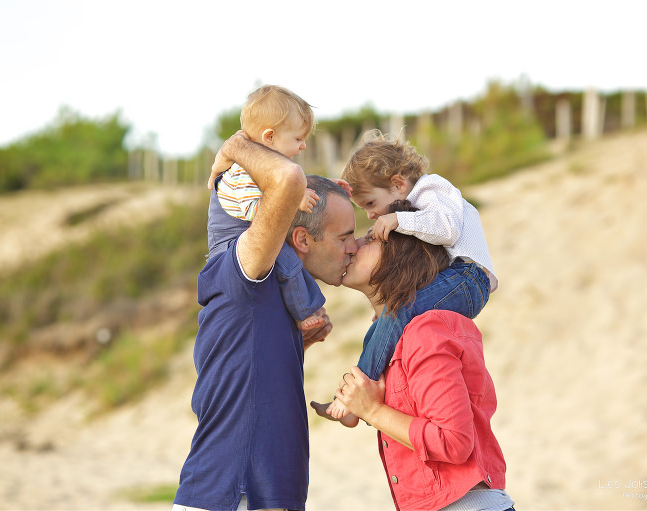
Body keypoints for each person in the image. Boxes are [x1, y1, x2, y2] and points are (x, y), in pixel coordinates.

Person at [173, 131, 357, 511]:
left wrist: (294, 346)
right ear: (302, 239)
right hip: (231, 493)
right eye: (346, 237)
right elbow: (287, 181)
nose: (355, 246)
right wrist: (237, 146)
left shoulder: (279, 295)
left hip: (269, 493)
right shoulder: (245, 273)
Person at [314, 200, 514, 511]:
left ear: (400, 256)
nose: (354, 246)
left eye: (369, 239)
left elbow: (453, 442)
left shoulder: (426, 332)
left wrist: (373, 411)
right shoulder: (388, 341)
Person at [326, 132, 497, 420]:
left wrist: (397, 219)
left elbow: (447, 229)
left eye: (370, 203)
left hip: (469, 278)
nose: (370, 215)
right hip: (458, 277)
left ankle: (359, 395)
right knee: (382, 323)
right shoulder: (417, 204)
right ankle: (354, 391)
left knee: (398, 311)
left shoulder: (432, 188)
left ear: (398, 183)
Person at [208, 84, 351, 332]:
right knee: (287, 261)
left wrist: (325, 185)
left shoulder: (258, 166)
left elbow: (286, 181)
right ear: (270, 138)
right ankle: (303, 311)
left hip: (248, 235)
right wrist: (293, 201)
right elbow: (257, 210)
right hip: (232, 246)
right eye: (298, 139)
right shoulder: (242, 173)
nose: (303, 146)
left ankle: (304, 306)